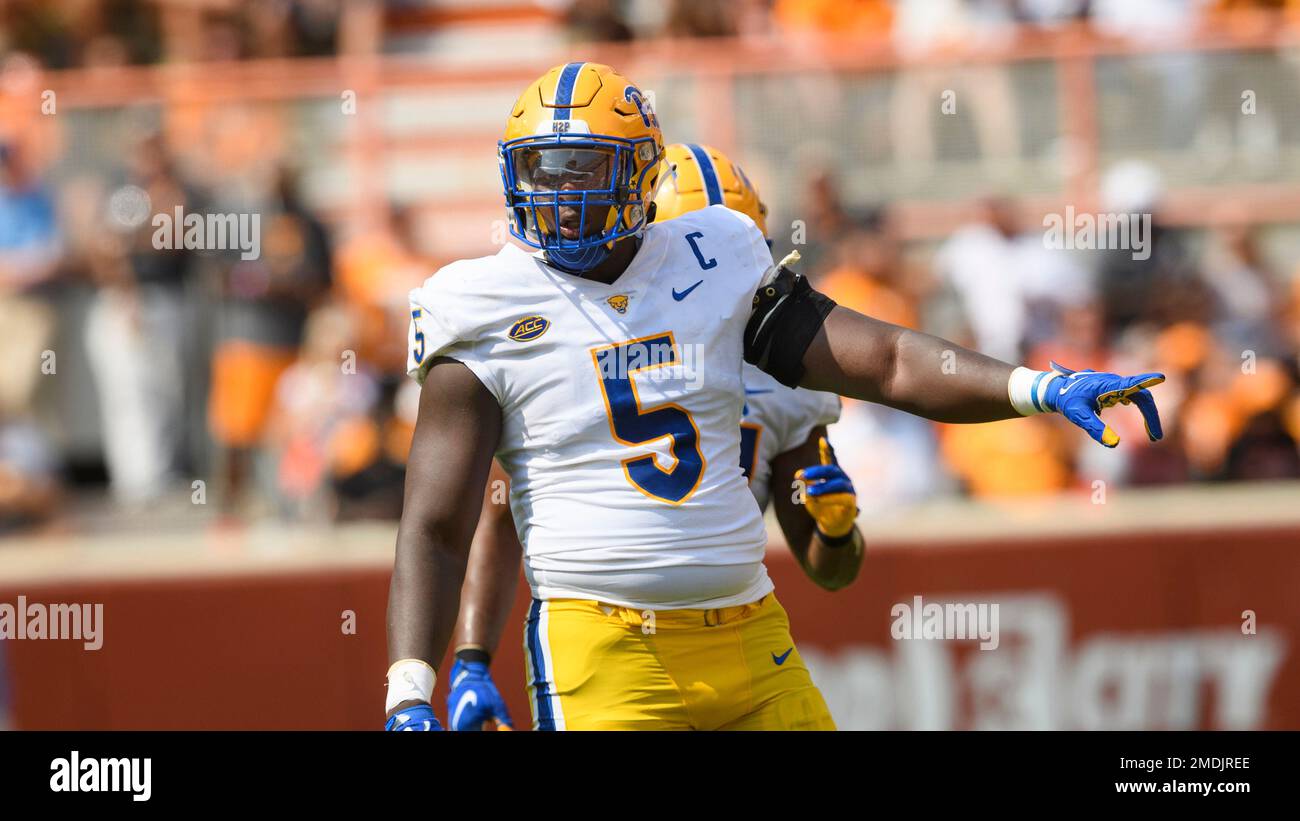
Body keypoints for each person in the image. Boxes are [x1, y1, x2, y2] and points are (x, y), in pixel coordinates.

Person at [386, 62, 1165, 731]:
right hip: (604, 642)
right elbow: (438, 520)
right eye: (543, 168)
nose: (559, 192)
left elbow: (887, 359)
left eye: (584, 167)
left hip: (751, 629)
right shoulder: (481, 304)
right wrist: (413, 687)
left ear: (643, 175)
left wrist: (1036, 384)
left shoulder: (711, 253)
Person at [442, 142, 865, 730]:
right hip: (612, 641)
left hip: (733, 622)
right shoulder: (588, 347)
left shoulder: (790, 372)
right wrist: (470, 660)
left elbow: (829, 569)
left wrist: (839, 532)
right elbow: (498, 510)